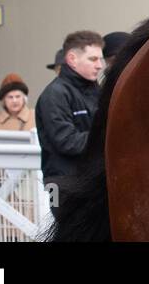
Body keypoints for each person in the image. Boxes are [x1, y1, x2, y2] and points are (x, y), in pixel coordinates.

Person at [35, 31, 104, 209]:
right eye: (93, 59)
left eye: (100, 59)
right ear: (72, 59)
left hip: (90, 181)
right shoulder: (54, 95)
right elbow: (66, 141)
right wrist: (108, 137)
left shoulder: (97, 92)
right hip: (62, 184)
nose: (100, 65)